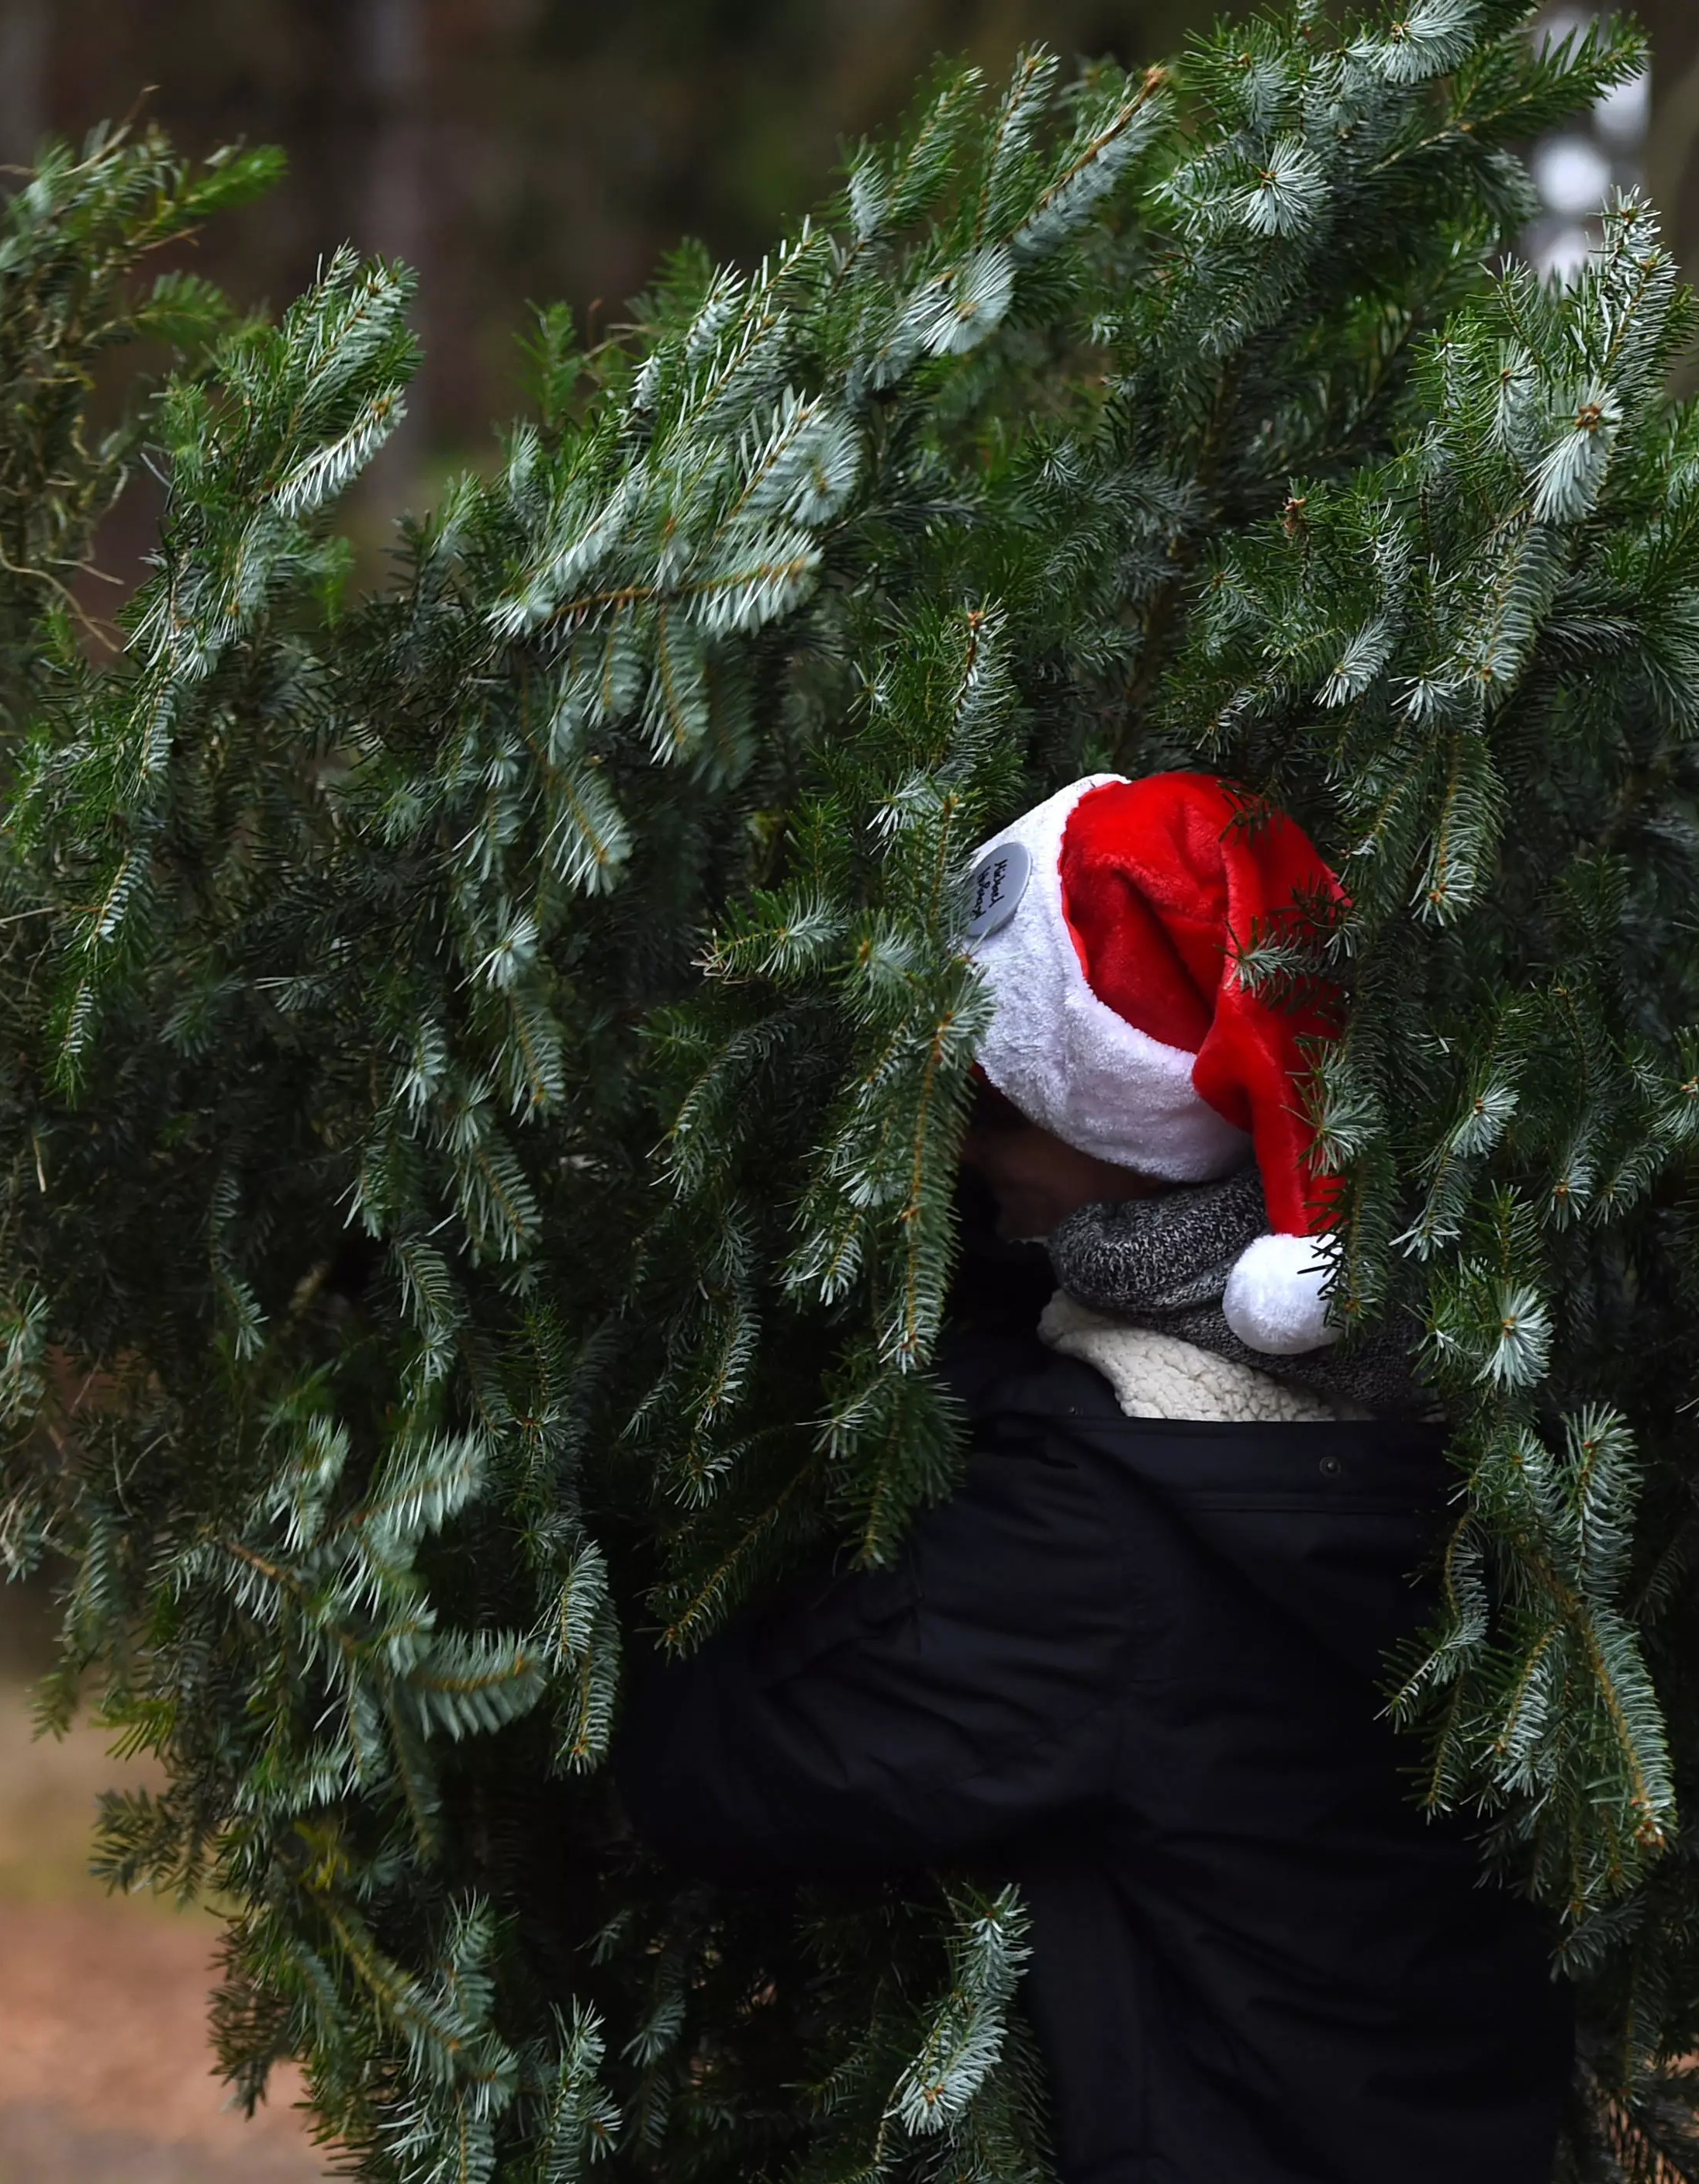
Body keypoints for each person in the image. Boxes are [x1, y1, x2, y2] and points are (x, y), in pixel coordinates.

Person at [615, 773, 1573, 2184]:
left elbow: (729, 1761)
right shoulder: (1440, 1392)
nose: (961, 1158)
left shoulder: (1113, 1529)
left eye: (1000, 1113)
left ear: (1136, 1129)